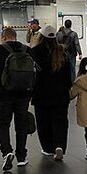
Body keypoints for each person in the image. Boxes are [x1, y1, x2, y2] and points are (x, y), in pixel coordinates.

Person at [0, 27, 34, 171]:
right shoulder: (27, 50)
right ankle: (21, 156)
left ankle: (7, 151)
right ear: (15, 37)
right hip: (24, 94)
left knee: (2, 123)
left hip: (3, 95)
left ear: (3, 37)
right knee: (21, 124)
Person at [33, 25, 73, 161]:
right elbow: (69, 76)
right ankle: (59, 145)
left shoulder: (35, 52)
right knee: (60, 121)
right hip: (60, 95)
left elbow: (33, 76)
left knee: (43, 122)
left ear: (41, 37)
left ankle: (47, 148)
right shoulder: (63, 51)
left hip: (41, 96)